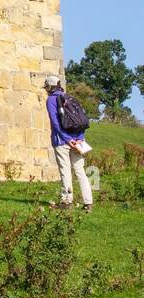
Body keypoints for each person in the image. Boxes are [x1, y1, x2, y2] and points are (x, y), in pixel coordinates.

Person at [44, 75, 92, 212]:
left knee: (65, 171)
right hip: (77, 141)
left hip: (61, 141)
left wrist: (66, 139)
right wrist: (79, 138)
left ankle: (66, 201)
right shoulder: (70, 98)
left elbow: (55, 122)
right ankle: (88, 203)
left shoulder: (51, 100)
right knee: (80, 171)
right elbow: (81, 120)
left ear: (49, 87)